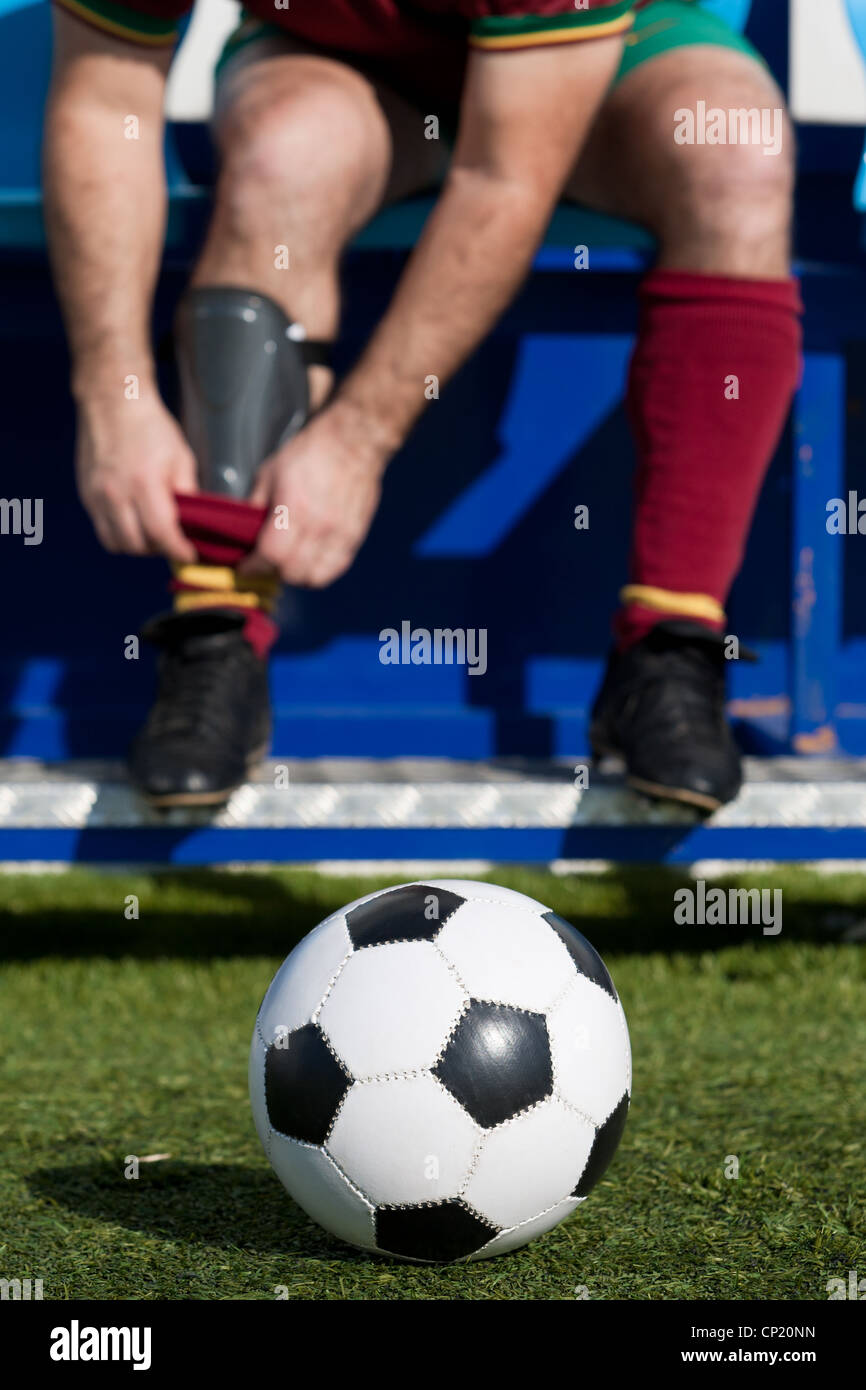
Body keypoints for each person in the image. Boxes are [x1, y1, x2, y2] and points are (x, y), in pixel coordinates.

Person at [43, 0, 801, 810]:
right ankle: (216, 622)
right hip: (337, 58)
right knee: (284, 154)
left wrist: (357, 441)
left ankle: (669, 647)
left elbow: (503, 175)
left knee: (734, 147)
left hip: (596, 59)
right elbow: (104, 102)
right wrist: (111, 395)